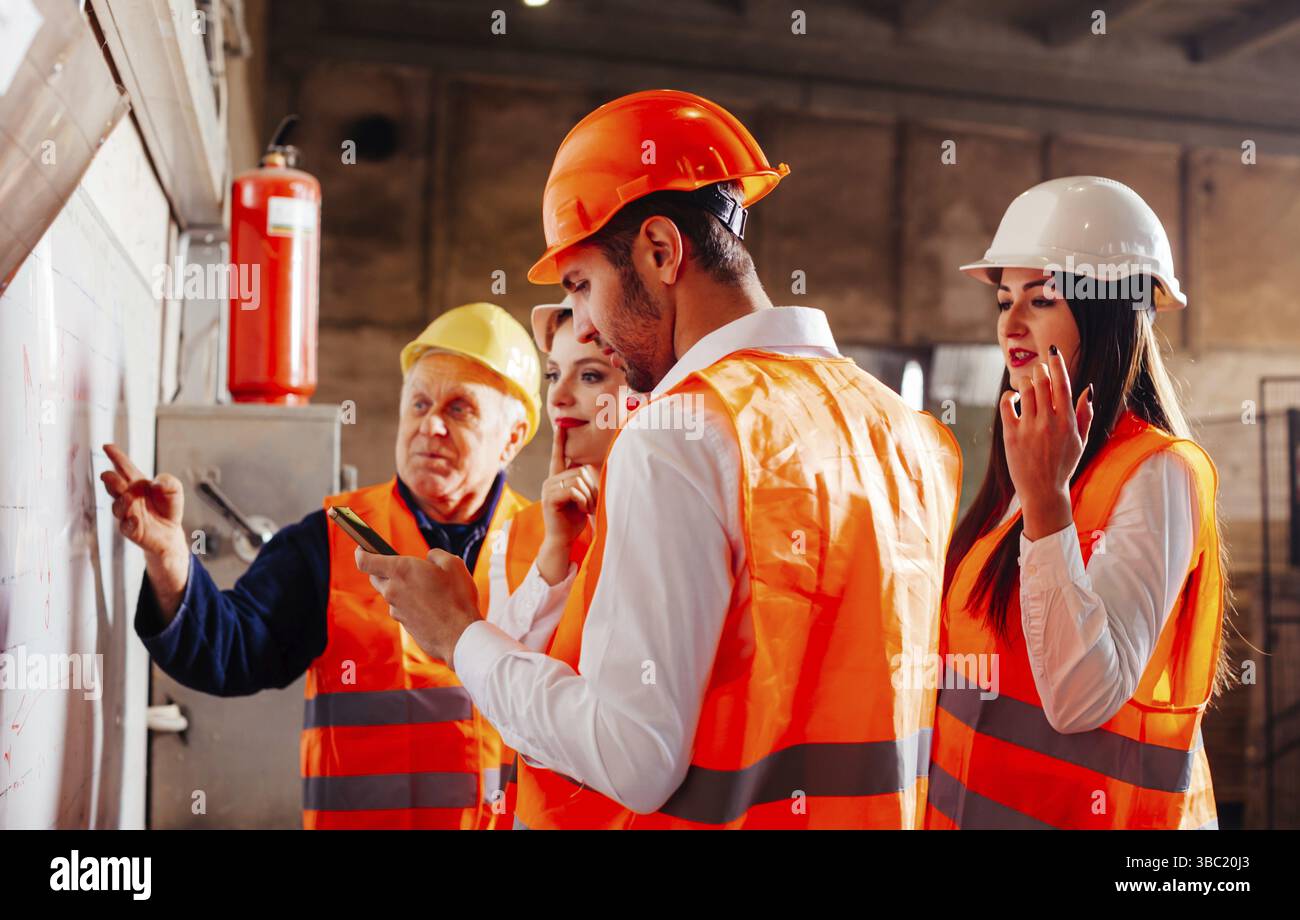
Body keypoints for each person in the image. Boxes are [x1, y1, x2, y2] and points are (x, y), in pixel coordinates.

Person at [355, 89, 963, 829]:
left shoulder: (680, 432)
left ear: (661, 251)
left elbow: (634, 755)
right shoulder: (905, 431)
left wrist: (458, 634)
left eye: (581, 285)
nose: (583, 325)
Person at [99, 302, 541, 829]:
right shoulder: (331, 540)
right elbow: (231, 648)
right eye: (419, 404)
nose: (431, 427)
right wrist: (169, 557)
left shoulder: (548, 553)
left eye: (459, 409)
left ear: (512, 437)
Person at [924, 176, 1228, 830]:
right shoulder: (1029, 462)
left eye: (1041, 300)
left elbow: (1080, 699)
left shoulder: (1157, 472)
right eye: (1005, 300)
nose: (1010, 323)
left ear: (1107, 311)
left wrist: (1047, 506)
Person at [480, 297, 632, 822]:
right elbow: (502, 700)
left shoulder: (666, 518)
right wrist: (555, 548)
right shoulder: (520, 532)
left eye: (589, 376)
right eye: (552, 375)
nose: (560, 398)